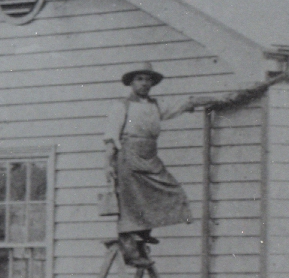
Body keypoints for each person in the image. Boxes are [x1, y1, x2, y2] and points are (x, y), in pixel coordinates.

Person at [104, 63, 279, 267]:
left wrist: (210, 100)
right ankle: (131, 251)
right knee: (130, 202)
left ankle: (143, 236)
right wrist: (108, 165)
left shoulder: (155, 105)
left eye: (148, 80)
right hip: (128, 157)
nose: (144, 83)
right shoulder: (121, 106)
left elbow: (184, 104)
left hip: (149, 155)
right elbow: (110, 138)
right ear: (132, 83)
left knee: (170, 191)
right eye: (140, 79)